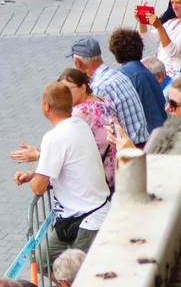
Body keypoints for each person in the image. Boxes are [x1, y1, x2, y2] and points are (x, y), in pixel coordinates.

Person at [13, 82, 111, 254]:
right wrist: (33, 173)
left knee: (74, 268)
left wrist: (35, 179)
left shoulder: (54, 137)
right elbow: (65, 161)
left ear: (46, 106)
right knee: (44, 259)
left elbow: (38, 188)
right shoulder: (80, 125)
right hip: (91, 212)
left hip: (86, 220)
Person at [68, 36, 150, 146]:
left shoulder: (98, 87)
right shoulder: (119, 75)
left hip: (127, 147)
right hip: (142, 143)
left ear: (78, 63)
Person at [106, 28, 167, 134]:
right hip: (161, 131)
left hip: (146, 136)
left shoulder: (121, 77)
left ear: (116, 54)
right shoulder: (149, 73)